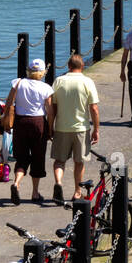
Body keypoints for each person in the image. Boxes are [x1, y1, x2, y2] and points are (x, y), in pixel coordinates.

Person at [49, 54, 100, 203]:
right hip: (81, 128)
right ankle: (77, 192)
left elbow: (53, 107)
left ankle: (58, 182)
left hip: (62, 127)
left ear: (68, 66)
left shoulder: (59, 81)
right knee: (79, 161)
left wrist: (50, 126)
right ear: (82, 66)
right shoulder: (87, 82)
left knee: (59, 161)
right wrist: (96, 129)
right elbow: (94, 108)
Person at [3, 58, 53, 205]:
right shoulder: (46, 88)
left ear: (29, 70)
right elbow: (50, 111)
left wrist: (5, 119)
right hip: (38, 123)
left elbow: (8, 103)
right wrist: (50, 129)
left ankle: (16, 183)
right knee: (38, 158)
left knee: (22, 158)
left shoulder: (18, 83)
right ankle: (35, 192)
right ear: (43, 72)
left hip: (20, 122)